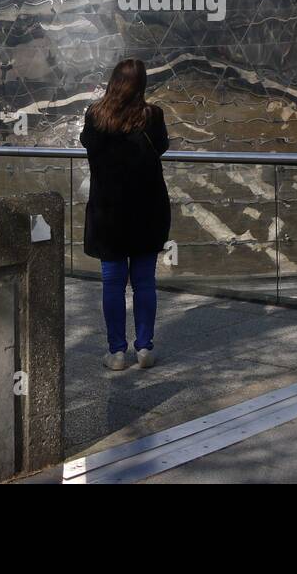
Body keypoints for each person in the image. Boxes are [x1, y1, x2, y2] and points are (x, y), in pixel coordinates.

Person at [80, 58, 171, 371]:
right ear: (141, 84)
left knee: (112, 283)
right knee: (145, 281)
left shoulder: (95, 115)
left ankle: (117, 352)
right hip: (147, 209)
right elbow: (160, 147)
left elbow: (87, 145)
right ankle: (144, 347)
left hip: (109, 213)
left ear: (113, 81)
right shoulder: (153, 116)